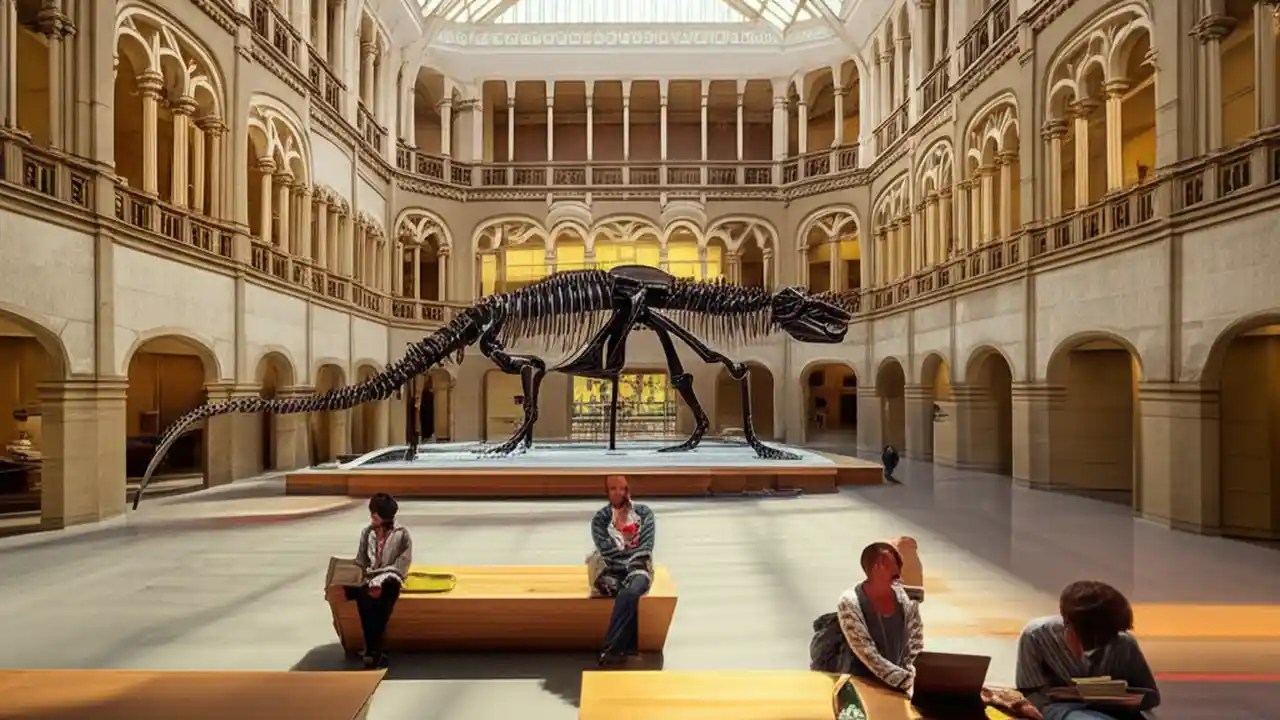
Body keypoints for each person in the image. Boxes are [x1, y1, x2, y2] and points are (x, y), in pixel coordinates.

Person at [1015, 581, 1161, 720]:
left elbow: (1151, 697)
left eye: (1105, 638)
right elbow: (1029, 693)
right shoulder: (1036, 636)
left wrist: (1097, 695)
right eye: (1088, 638)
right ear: (1067, 624)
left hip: (1116, 709)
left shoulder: (1123, 642)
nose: (1095, 646)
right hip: (1062, 708)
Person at [836, 541, 924, 691]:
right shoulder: (849, 601)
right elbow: (866, 652)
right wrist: (903, 679)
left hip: (899, 687)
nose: (897, 570)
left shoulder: (906, 599)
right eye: (890, 564)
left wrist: (911, 678)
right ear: (876, 567)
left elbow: (916, 643)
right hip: (860, 687)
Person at [590, 474, 656, 666]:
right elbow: (606, 550)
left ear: (628, 490)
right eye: (613, 488)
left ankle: (611, 649)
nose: (618, 492)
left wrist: (630, 563)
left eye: (622, 488)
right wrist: (624, 562)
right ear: (607, 492)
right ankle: (626, 649)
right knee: (616, 588)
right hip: (612, 569)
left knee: (629, 592)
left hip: (638, 567)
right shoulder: (600, 519)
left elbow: (646, 547)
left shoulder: (644, 513)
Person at [348, 493, 413, 669]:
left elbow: (402, 565)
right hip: (369, 577)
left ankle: (372, 651)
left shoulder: (402, 534)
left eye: (374, 513)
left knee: (384, 598)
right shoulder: (367, 532)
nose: (372, 516)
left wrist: (380, 577)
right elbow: (361, 560)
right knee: (363, 599)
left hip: (390, 577)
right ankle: (374, 650)